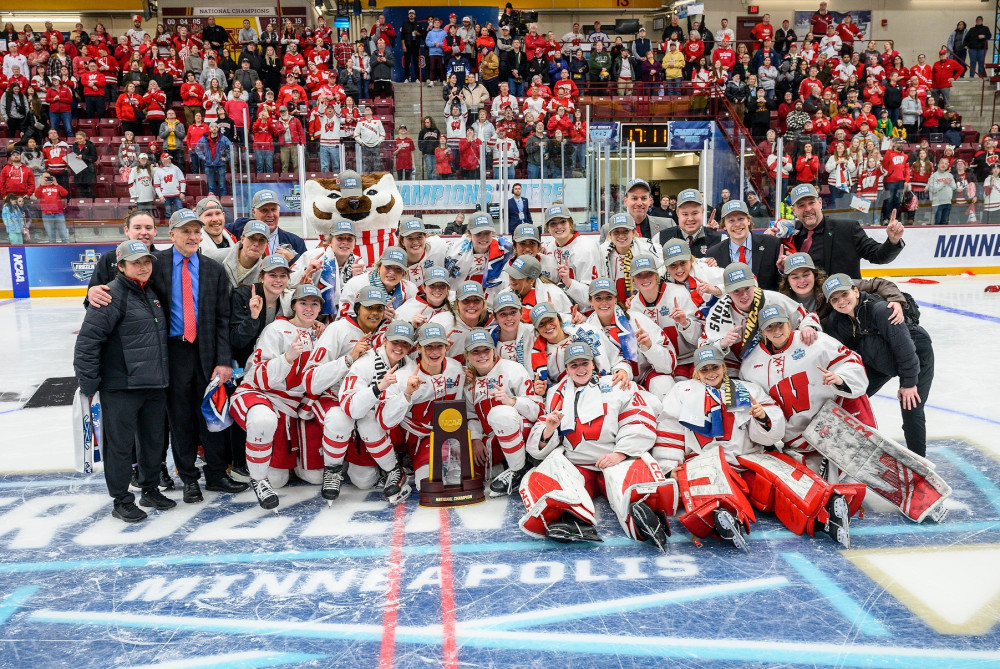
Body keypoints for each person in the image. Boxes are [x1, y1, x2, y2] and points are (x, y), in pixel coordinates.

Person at [88, 209, 249, 501]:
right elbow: (124, 291)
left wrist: (224, 361)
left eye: (196, 232)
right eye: (185, 231)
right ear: (171, 234)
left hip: (207, 353)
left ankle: (216, 473)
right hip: (171, 353)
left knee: (212, 415)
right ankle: (188, 478)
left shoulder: (213, 269)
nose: (192, 237)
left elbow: (223, 319)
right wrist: (92, 292)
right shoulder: (154, 265)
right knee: (180, 418)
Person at [657, 343, 863, 551]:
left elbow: (772, 430)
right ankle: (722, 519)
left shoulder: (746, 389)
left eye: (715, 367)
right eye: (705, 369)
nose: (711, 373)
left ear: (723, 367)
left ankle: (824, 510)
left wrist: (763, 418)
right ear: (696, 372)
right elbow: (669, 429)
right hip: (705, 462)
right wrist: (667, 466)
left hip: (746, 460)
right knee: (707, 490)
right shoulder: (682, 392)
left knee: (783, 481)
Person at [518, 342, 675, 549]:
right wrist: (549, 430)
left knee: (633, 482)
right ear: (566, 369)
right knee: (539, 480)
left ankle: (642, 516)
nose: (580, 369)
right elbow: (538, 444)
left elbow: (638, 415)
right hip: (577, 464)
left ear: (593, 364)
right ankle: (571, 519)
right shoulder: (555, 393)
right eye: (574, 365)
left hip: (614, 461)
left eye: (585, 363)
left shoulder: (615, 383)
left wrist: (620, 453)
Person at [74, 240, 175, 523]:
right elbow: (87, 343)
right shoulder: (110, 296)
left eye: (146, 262)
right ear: (120, 267)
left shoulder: (152, 293)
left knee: (154, 441)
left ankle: (150, 488)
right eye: (135, 263)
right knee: (119, 446)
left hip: (154, 384)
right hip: (121, 387)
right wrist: (88, 383)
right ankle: (121, 499)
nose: (143, 267)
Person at [230, 284, 327, 511]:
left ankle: (295, 461)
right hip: (263, 395)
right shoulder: (276, 329)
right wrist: (288, 358)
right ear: (293, 305)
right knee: (275, 477)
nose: (309, 308)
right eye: (303, 303)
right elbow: (259, 376)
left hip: (296, 408)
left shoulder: (322, 334)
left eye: (315, 303)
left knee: (313, 477)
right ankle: (258, 479)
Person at [823, 274, 935, 458]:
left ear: (856, 291)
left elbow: (904, 348)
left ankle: (919, 463)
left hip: (915, 355)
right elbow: (842, 357)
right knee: (851, 397)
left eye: (844, 294)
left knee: (911, 408)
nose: (841, 301)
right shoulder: (837, 321)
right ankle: (842, 454)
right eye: (835, 299)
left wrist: (908, 384)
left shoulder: (881, 310)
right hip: (879, 358)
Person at [701, 262, 821, 376]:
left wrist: (807, 326)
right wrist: (722, 343)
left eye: (747, 288)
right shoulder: (719, 311)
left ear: (754, 285)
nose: (743, 295)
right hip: (739, 369)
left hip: (784, 358)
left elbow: (806, 316)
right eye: (736, 290)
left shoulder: (773, 298)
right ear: (727, 291)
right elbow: (704, 348)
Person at [464, 328, 543, 496]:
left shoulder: (513, 369)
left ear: (493, 350)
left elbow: (537, 410)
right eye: (475, 351)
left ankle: (518, 469)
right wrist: (475, 439)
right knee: (465, 472)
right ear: (467, 355)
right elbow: (472, 415)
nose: (482, 355)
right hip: (493, 438)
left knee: (500, 413)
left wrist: (511, 401)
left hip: (523, 432)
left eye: (486, 349)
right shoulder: (468, 383)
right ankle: (507, 465)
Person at [773, 183, 905, 278]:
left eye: (811, 203)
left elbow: (879, 256)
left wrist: (893, 241)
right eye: (801, 205)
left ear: (820, 203)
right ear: (793, 210)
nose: (808, 209)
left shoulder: (847, 229)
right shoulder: (787, 234)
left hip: (840, 306)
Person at [705, 200, 781, 292]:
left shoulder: (772, 244)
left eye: (741, 219)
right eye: (731, 220)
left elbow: (782, 282)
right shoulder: (714, 253)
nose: (737, 224)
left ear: (748, 220)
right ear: (724, 225)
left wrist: (783, 270)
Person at [227, 189, 306, 263]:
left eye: (273, 209)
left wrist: (294, 260)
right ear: (253, 212)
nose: (270, 215)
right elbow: (217, 227)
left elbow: (309, 272)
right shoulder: (239, 229)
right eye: (264, 210)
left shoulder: (296, 242)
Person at [600, 212, 662, 303]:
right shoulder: (601, 252)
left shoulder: (649, 248)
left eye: (626, 231)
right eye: (616, 232)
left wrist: (639, 297)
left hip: (642, 303)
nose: (621, 236)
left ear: (633, 233)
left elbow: (660, 275)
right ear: (610, 235)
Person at [659, 188, 723, 258]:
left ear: (702, 212)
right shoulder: (661, 238)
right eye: (685, 214)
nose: (690, 219)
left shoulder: (719, 240)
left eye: (695, 213)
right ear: (677, 213)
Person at [196, 123, 232, 197]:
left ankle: (223, 204)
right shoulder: (204, 139)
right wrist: (203, 157)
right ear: (209, 129)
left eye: (216, 127)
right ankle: (213, 203)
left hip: (220, 165)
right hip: (208, 165)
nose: (214, 128)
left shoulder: (223, 138)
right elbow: (197, 148)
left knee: (222, 186)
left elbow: (232, 148)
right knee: (211, 187)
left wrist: (226, 158)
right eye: (212, 127)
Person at [152, 153, 185, 219]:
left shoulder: (176, 168)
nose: (169, 160)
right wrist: (160, 196)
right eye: (167, 159)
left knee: (180, 211)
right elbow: (156, 186)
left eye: (169, 159)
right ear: (162, 160)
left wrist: (182, 192)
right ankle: (168, 228)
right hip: (165, 196)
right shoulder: (158, 171)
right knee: (168, 213)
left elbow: (182, 181)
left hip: (176, 195)